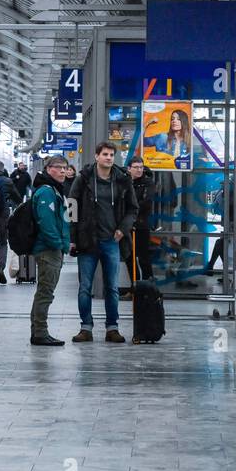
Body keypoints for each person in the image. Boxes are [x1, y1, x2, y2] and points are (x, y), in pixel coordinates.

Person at [69, 142, 138, 343]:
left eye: (111, 155)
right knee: (85, 287)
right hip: (87, 241)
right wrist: (72, 238)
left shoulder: (123, 180)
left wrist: (122, 229)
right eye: (105, 154)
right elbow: (71, 206)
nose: (109, 158)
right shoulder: (84, 178)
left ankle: (112, 328)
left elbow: (133, 209)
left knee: (112, 287)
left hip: (111, 241)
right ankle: (85, 327)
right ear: (97, 156)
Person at [30, 155, 72, 346]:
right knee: (45, 292)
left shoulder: (53, 189)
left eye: (65, 167)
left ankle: (39, 331)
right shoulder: (47, 192)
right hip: (48, 250)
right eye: (59, 167)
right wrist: (58, 244)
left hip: (51, 249)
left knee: (44, 291)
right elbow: (47, 223)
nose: (63, 171)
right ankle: (40, 333)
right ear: (48, 169)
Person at [126, 155, 154, 283]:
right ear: (129, 169)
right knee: (129, 257)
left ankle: (148, 287)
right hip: (127, 225)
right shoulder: (126, 182)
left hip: (141, 225)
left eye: (141, 167)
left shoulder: (148, 182)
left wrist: (131, 209)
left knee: (144, 257)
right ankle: (134, 286)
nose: (139, 170)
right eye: (136, 167)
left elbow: (146, 202)